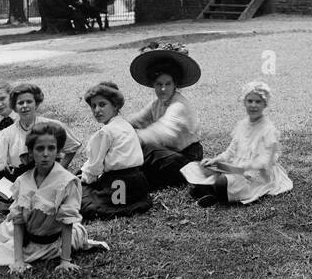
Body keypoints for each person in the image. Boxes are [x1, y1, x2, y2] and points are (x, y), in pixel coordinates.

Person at [0, 123, 104, 272]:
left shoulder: (68, 182)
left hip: (51, 241)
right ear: (31, 152)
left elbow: (67, 223)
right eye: (40, 149)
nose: (46, 154)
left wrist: (65, 261)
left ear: (58, 151)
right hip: (27, 228)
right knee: (2, 231)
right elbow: (19, 222)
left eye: (51, 148)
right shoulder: (23, 180)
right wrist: (18, 261)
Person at [0, 83, 81, 217]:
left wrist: (60, 169)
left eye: (29, 102)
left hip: (48, 175)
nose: (24, 106)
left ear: (36, 104)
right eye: (20, 103)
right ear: (14, 106)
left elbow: (72, 147)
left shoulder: (52, 126)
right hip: (19, 178)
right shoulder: (6, 133)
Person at [189, 81, 292, 209]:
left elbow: (268, 160)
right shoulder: (242, 126)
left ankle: (215, 192)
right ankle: (213, 193)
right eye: (250, 101)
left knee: (222, 182)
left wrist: (244, 168)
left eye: (258, 102)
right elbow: (230, 152)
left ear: (265, 104)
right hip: (236, 167)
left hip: (256, 174)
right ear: (244, 102)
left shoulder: (268, 130)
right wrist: (215, 161)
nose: (253, 105)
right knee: (203, 168)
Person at [125, 41, 203, 189]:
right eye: (158, 84)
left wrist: (130, 138)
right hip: (166, 153)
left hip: (186, 157)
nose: (162, 89)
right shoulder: (156, 104)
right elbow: (138, 119)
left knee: (148, 151)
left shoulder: (179, 105)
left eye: (168, 84)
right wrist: (115, 128)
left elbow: (161, 132)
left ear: (175, 85)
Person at [79, 82, 152, 219]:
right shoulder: (125, 125)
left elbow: (94, 166)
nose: (97, 110)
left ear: (115, 106)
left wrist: (85, 179)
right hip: (137, 182)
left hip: (117, 183)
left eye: (102, 104)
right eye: (93, 106)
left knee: (81, 196)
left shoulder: (105, 132)